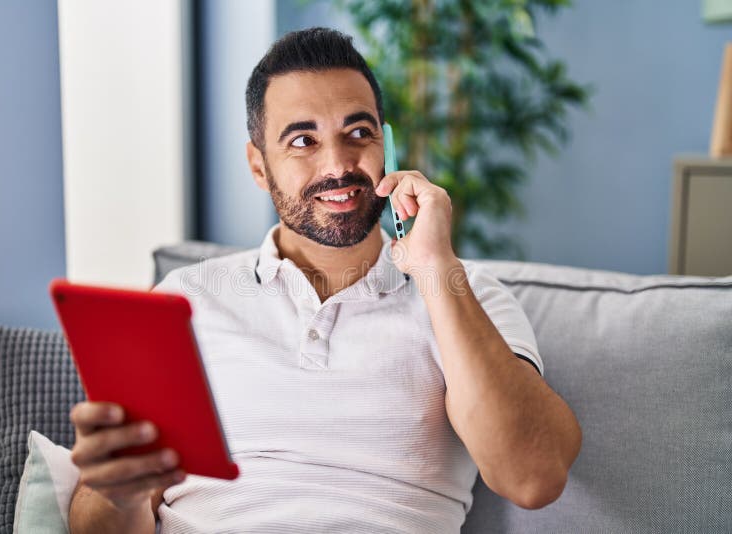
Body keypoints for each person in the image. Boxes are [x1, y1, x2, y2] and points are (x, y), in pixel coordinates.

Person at [67, 27, 581, 533]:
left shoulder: (465, 294)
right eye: (303, 140)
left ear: (388, 146)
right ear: (259, 166)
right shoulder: (186, 299)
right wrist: (118, 494)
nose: (338, 165)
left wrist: (434, 269)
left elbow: (533, 477)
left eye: (359, 133)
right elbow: (100, 523)